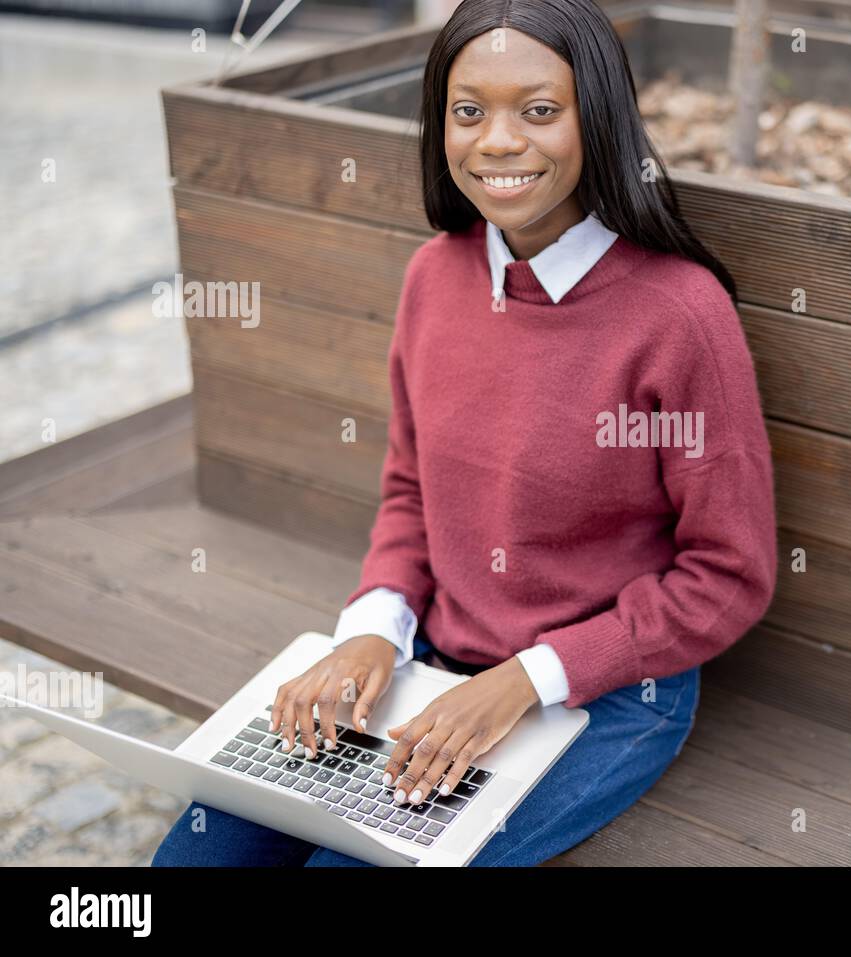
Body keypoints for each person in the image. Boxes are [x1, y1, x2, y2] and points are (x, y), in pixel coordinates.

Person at [153, 0, 776, 867]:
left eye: (540, 110)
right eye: (469, 110)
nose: (497, 141)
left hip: (607, 696)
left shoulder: (679, 316)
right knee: (194, 859)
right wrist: (372, 630)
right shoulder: (433, 276)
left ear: (597, 117)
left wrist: (525, 681)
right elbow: (411, 490)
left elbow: (728, 576)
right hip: (436, 654)